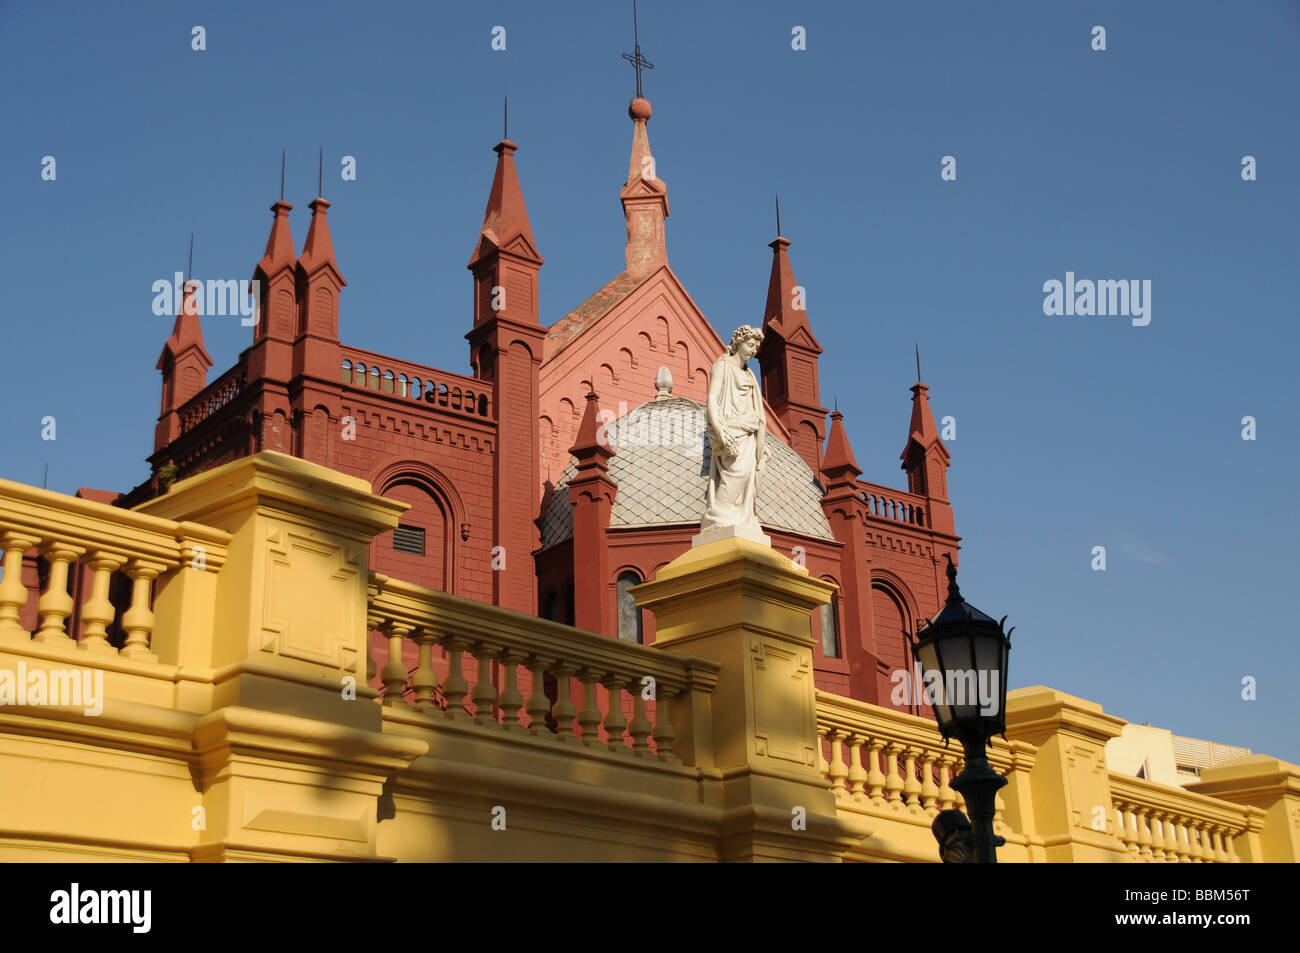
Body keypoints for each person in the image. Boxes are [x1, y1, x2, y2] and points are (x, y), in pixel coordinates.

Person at [700, 325, 770, 543]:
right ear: (738, 343)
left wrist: (760, 438)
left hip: (749, 433)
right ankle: (718, 516)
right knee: (735, 474)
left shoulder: (748, 374)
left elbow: (755, 407)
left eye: (756, 348)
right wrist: (721, 432)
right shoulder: (722, 366)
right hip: (731, 431)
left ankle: (741, 518)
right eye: (750, 345)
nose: (753, 351)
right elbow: (712, 400)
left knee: (747, 478)